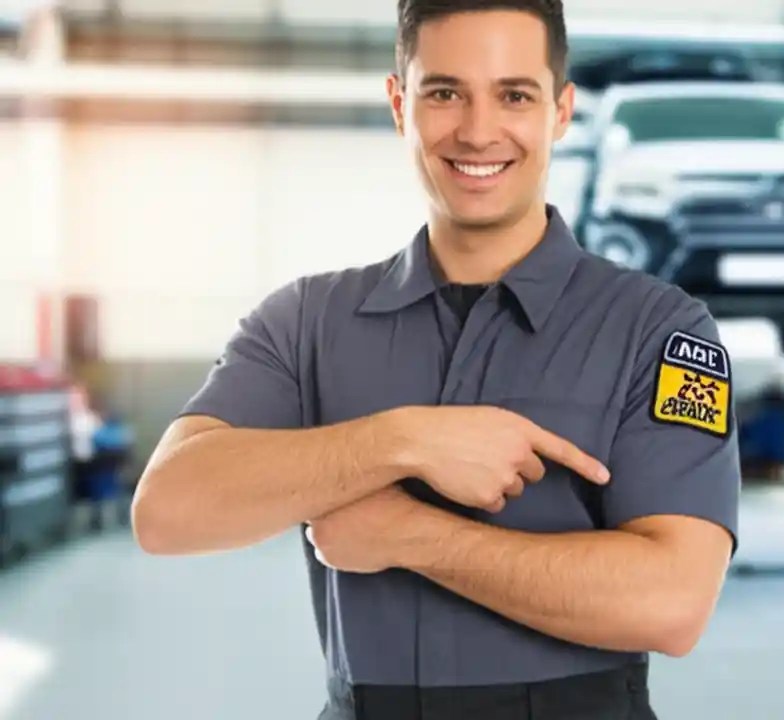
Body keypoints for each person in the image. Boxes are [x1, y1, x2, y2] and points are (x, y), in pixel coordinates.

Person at [130, 2, 741, 718]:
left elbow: (672, 603)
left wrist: (409, 535)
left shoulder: (661, 330)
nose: (478, 131)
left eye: (514, 95)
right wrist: (402, 440)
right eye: (444, 92)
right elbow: (167, 509)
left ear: (562, 111)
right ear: (399, 104)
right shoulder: (307, 322)